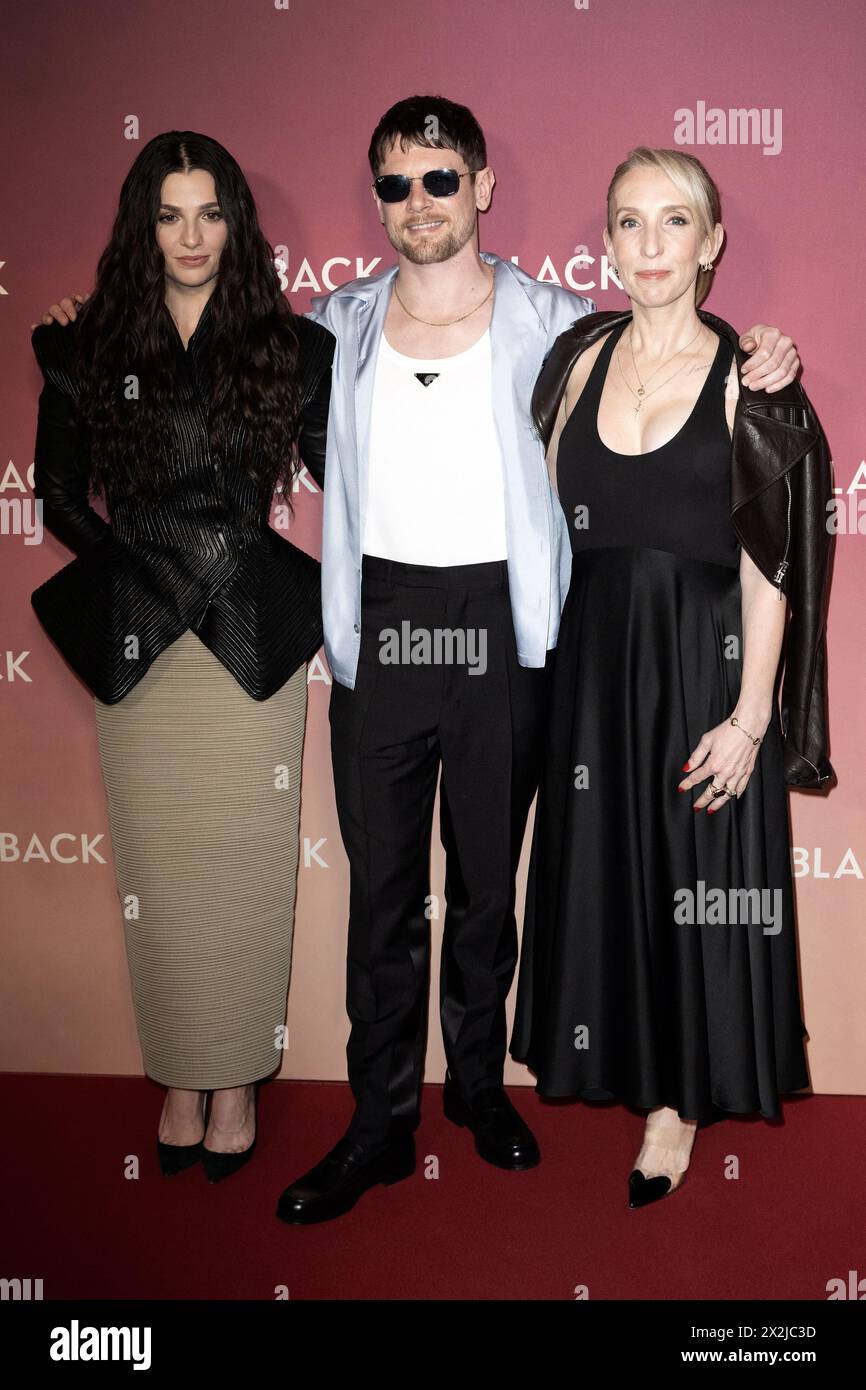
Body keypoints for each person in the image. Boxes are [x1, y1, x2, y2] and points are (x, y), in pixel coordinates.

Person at [271, 97, 802, 1225]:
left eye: (439, 179)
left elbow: (702, 389)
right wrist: (91, 325)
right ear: (378, 201)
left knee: (484, 887)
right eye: (395, 185)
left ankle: (476, 1091)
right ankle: (378, 1124)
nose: (419, 202)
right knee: (382, 892)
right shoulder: (335, 323)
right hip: (381, 621)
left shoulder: (554, 321)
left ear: (481, 187)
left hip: (504, 623)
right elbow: (216, 359)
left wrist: (769, 347)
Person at [509, 146, 834, 1207]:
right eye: (627, 222)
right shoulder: (571, 362)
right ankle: (625, 1062)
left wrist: (749, 718)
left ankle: (674, 1107)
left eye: (673, 222)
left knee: (695, 882)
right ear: (606, 241)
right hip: (593, 671)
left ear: (711, 242)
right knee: (614, 872)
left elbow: (770, 566)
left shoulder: (752, 379)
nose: (649, 245)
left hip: (704, 663)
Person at [29, 131, 334, 1182]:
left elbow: (351, 475)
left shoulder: (293, 348)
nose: (191, 235)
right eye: (170, 215)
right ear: (142, 227)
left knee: (244, 862)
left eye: (209, 214)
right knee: (160, 871)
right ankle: (180, 1073)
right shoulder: (86, 345)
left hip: (251, 633)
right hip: (142, 640)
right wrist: (150, 573)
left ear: (235, 225)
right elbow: (59, 498)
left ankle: (236, 1075)